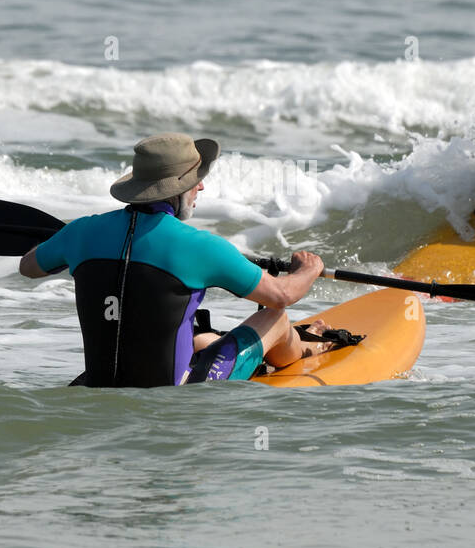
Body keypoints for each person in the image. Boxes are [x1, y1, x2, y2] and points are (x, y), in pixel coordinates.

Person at [19, 133, 338, 387]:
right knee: (276, 318)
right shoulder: (201, 247)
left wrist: (66, 242)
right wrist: (308, 270)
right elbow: (282, 295)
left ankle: (262, 344)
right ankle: (305, 350)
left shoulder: (81, 231)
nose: (201, 185)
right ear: (176, 191)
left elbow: (29, 266)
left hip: (99, 385)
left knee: (201, 338)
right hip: (177, 394)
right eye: (194, 180)